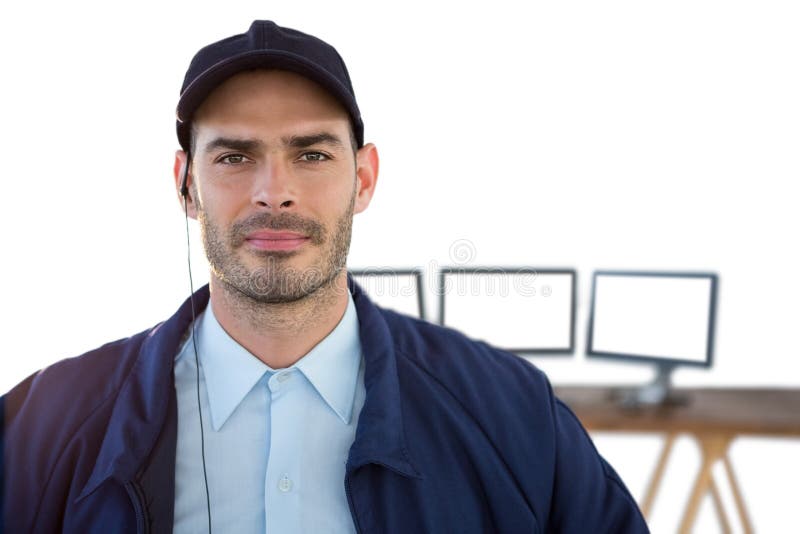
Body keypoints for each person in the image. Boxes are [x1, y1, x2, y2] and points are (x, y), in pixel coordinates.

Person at [1, 20, 649, 533]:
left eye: (311, 154)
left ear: (363, 179)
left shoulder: (514, 416)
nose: (273, 192)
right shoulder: (38, 430)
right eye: (234, 157)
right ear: (186, 185)